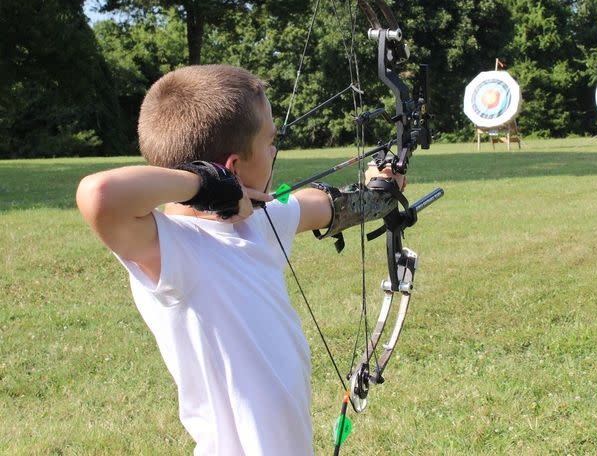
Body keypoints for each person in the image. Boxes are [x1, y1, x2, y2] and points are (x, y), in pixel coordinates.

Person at [76, 64, 405, 455]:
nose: (274, 151)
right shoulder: (174, 251)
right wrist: (204, 184)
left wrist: (378, 190)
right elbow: (99, 194)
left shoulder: (259, 219)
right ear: (231, 168)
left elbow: (323, 207)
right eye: (270, 142)